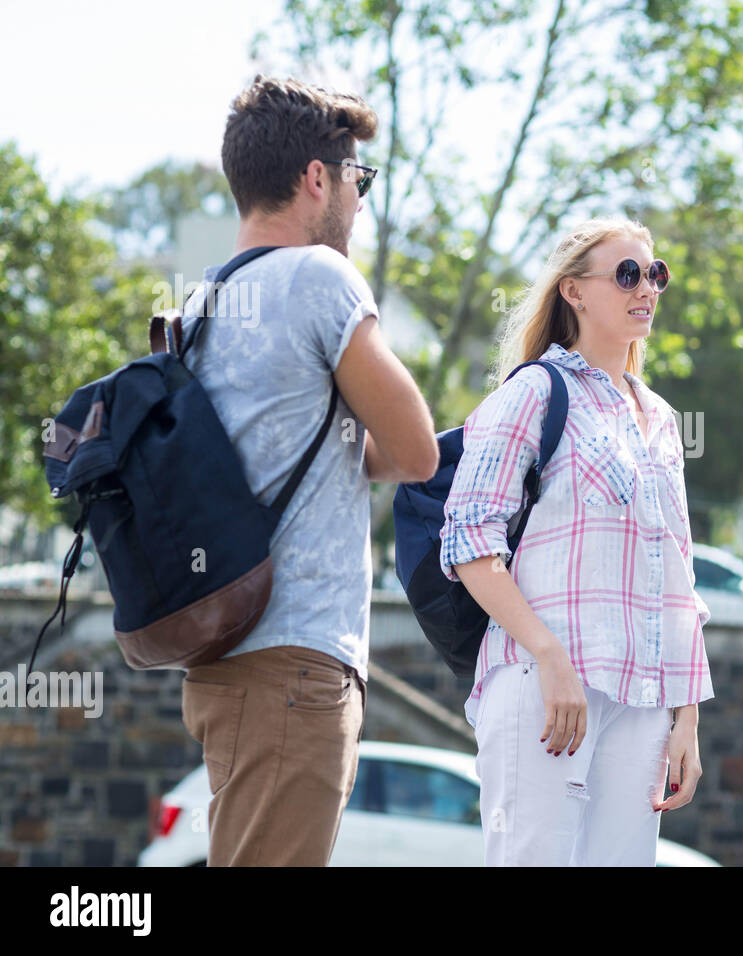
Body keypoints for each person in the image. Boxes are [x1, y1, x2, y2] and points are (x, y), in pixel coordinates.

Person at [178, 76, 439, 866]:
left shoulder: (200, 304)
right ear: (317, 178)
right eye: (359, 179)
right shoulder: (320, 278)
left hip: (222, 654)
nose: (360, 202)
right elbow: (418, 449)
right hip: (297, 657)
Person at [441, 218, 713, 866]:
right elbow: (469, 540)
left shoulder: (661, 419)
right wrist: (548, 655)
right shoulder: (536, 391)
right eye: (627, 273)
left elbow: (678, 576)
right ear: (574, 292)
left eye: (655, 274)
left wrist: (687, 715)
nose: (646, 287)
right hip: (544, 685)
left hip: (642, 698)